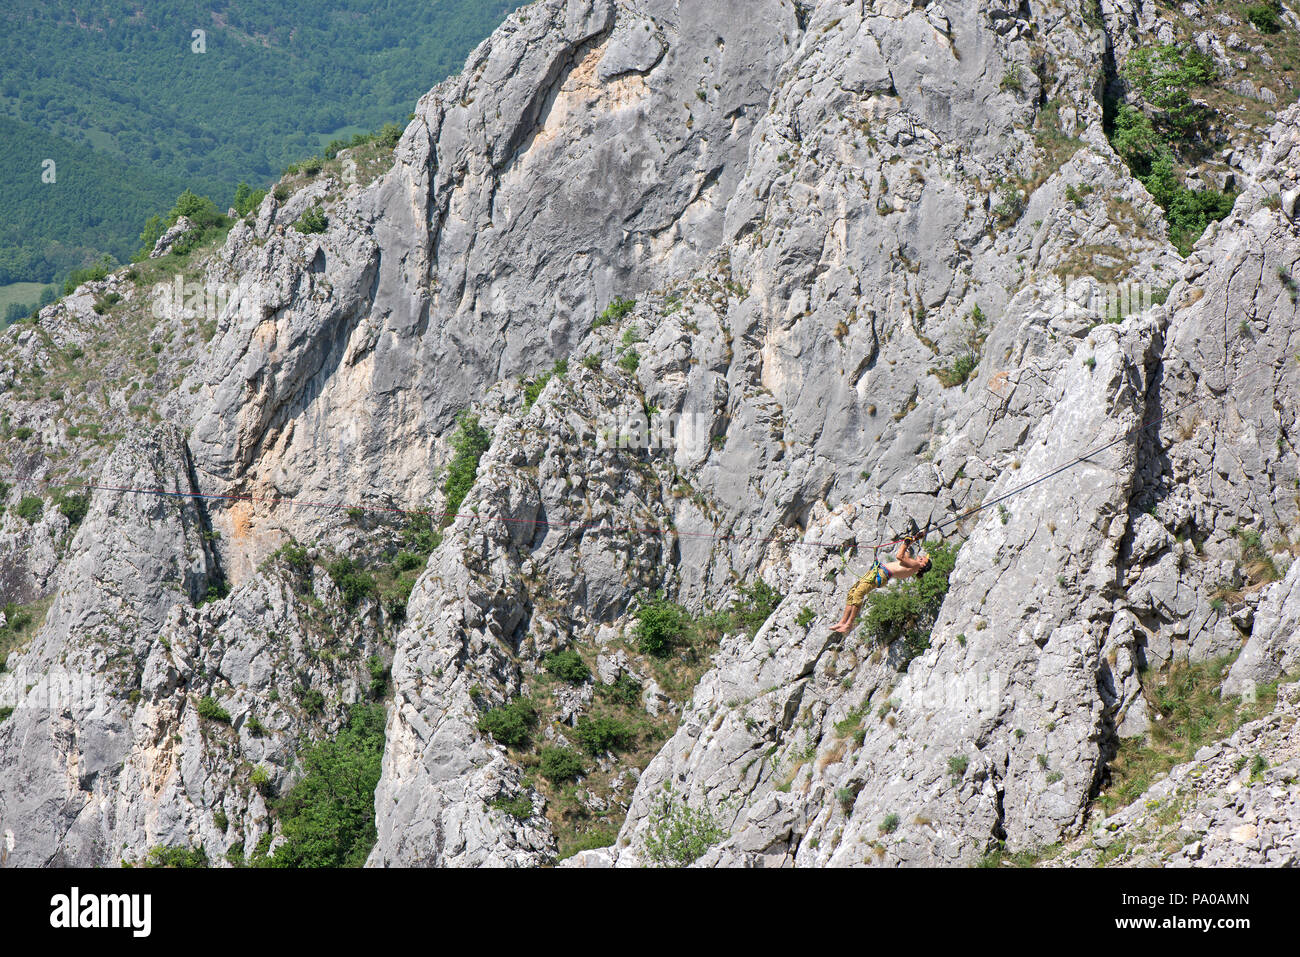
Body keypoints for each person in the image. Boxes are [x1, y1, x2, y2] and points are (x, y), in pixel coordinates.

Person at [830, 537, 931, 633]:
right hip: (879, 572)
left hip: (881, 574)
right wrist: (912, 540)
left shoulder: (916, 565)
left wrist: (906, 543)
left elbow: (899, 556)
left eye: (923, 560)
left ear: (923, 565)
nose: (921, 558)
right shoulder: (912, 565)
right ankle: (842, 622)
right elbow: (905, 553)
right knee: (852, 592)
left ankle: (849, 623)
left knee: (858, 594)